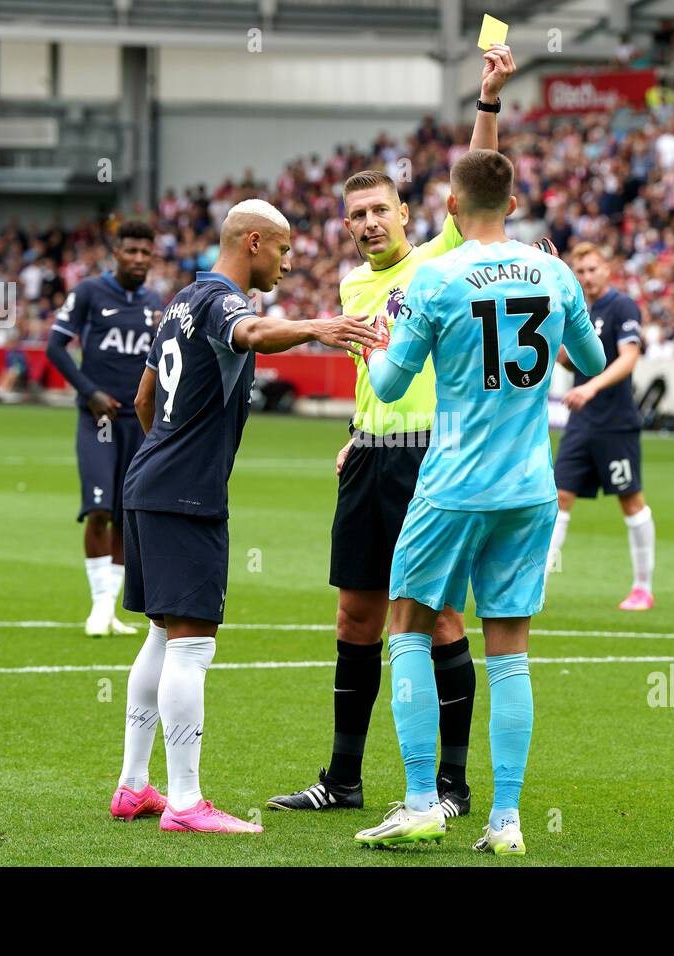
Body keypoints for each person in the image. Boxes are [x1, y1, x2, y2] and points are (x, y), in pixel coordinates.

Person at [266, 43, 517, 819]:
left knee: (438, 616)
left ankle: (452, 784)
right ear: (347, 228)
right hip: (370, 459)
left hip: (429, 463)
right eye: (358, 216)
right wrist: (357, 429)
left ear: (410, 215)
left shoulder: (440, 260)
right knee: (356, 616)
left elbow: (477, 178)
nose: (370, 223)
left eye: (382, 210)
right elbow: (373, 371)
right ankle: (342, 779)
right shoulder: (350, 284)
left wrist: (488, 100)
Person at [352, 149, 606, 855]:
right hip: (529, 488)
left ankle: (420, 800)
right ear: (515, 203)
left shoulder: (435, 278)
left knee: (406, 624)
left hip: (455, 482)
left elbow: (395, 385)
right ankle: (506, 821)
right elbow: (589, 364)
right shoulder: (555, 273)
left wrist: (374, 345)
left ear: (452, 211)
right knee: (510, 650)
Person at [108, 200, 377, 832]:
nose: (289, 262)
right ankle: (184, 802)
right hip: (186, 497)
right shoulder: (226, 303)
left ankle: (133, 786)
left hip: (147, 483)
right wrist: (319, 326)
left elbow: (145, 398)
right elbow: (252, 334)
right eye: (284, 250)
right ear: (253, 242)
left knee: (159, 634)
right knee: (192, 646)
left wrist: (167, 450)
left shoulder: (178, 302)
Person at [46, 221, 163, 637]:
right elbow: (54, 347)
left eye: (145, 252)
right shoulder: (89, 293)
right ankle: (98, 607)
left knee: (125, 514)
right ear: (116, 251)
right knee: (98, 509)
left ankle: (109, 608)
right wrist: (90, 391)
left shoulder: (155, 302)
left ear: (153, 256)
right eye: (130, 251)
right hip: (98, 420)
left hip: (140, 423)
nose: (137, 258)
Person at [544, 242, 657, 610]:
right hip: (581, 423)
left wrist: (589, 386)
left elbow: (629, 359)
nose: (588, 277)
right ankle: (538, 584)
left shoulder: (622, 305)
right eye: (581, 271)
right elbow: (568, 361)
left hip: (615, 423)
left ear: (606, 268)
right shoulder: (579, 309)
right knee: (559, 498)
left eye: (593, 269)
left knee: (630, 499)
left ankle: (643, 587)